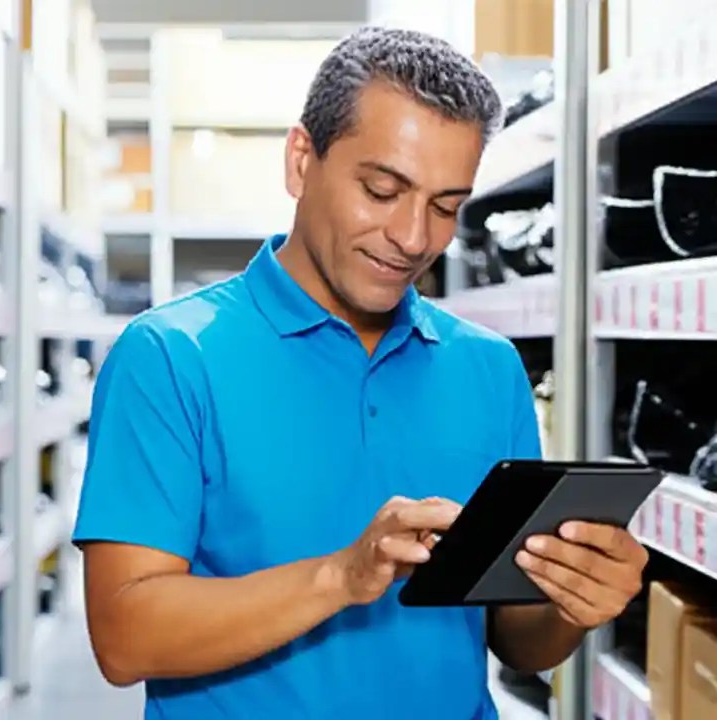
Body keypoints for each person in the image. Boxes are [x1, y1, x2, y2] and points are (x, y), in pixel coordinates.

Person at [72, 26, 649, 719]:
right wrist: (342, 575)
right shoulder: (169, 356)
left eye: (445, 207)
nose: (413, 238)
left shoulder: (489, 369)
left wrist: (576, 601)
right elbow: (125, 637)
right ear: (300, 161)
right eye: (382, 190)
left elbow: (514, 639)